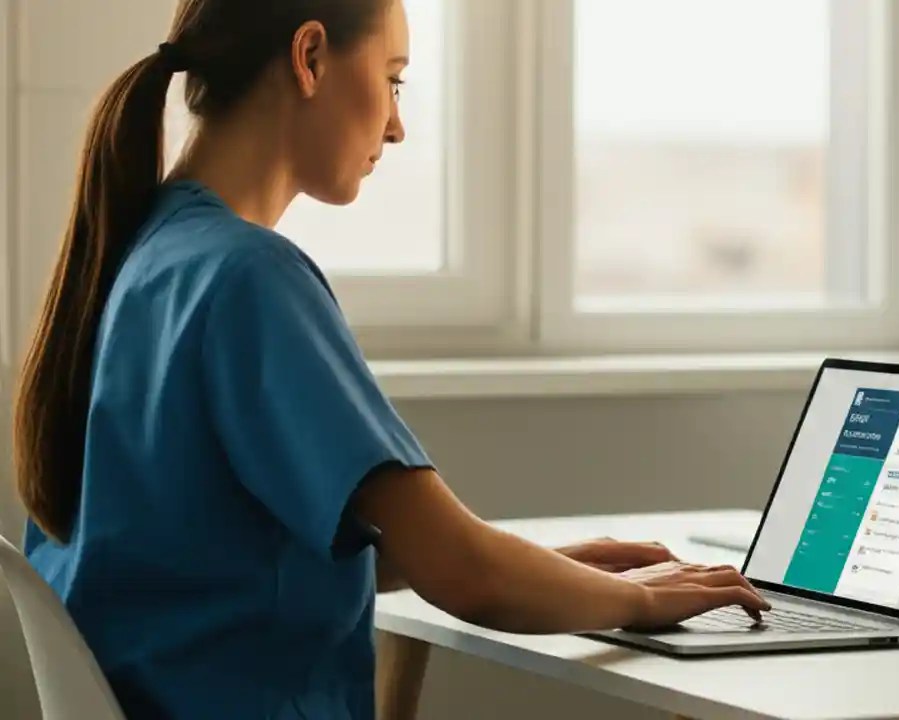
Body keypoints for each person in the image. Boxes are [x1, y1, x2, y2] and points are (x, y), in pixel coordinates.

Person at [11, 1, 769, 717]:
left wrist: (556, 571)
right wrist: (645, 601)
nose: (398, 126)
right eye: (392, 80)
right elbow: (464, 574)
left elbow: (220, 564)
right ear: (310, 57)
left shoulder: (139, 255)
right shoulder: (248, 277)